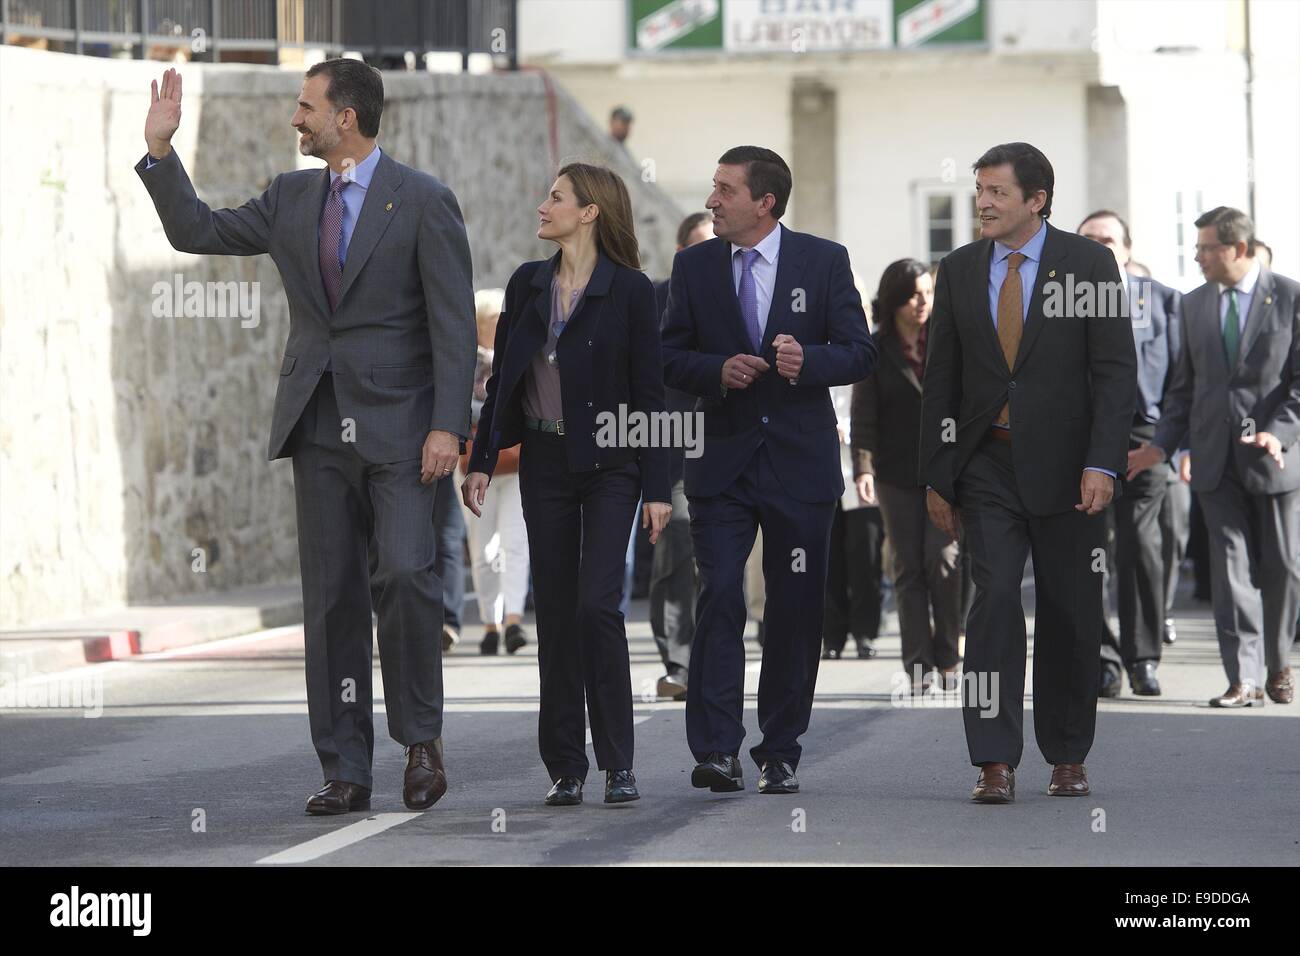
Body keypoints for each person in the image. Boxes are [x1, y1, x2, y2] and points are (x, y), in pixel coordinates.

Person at [137, 62, 475, 814]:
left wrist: (449, 426)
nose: (297, 120)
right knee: (331, 603)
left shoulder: (423, 201)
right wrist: (161, 154)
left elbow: (452, 326)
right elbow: (199, 231)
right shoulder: (291, 196)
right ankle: (346, 767)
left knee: (408, 576)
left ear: (345, 118)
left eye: (306, 107)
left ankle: (421, 740)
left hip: (400, 428)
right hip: (317, 422)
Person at [920, 142, 1136, 804]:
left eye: (996, 192)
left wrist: (1103, 460)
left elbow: (1112, 371)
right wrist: (938, 471)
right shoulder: (957, 269)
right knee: (993, 600)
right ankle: (992, 758)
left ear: (1036, 200)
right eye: (979, 190)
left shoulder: (1088, 262)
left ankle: (1068, 754)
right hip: (988, 463)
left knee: (1072, 610)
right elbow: (943, 381)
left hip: (1073, 470)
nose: (981, 202)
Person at [661, 146, 876, 795]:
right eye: (714, 186)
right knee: (721, 594)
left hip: (799, 465)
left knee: (792, 609)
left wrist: (806, 360)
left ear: (765, 203)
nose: (712, 200)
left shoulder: (824, 260)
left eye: (725, 190)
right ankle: (717, 750)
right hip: (722, 463)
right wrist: (714, 370)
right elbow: (667, 354)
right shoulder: (693, 265)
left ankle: (780, 748)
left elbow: (860, 352)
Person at [463, 164, 672, 806]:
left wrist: (659, 486)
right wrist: (482, 457)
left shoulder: (632, 291)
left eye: (555, 197)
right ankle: (566, 764)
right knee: (554, 612)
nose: (542, 204)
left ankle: (618, 762)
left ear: (590, 213)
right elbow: (504, 383)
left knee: (597, 606)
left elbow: (650, 393)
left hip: (613, 465)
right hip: (545, 462)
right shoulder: (528, 284)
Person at [1129, 206, 1299, 707]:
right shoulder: (1193, 303)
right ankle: (1243, 678)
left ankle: (1279, 662)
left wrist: (1278, 433)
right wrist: (1161, 445)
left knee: (1284, 567)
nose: (1198, 256)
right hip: (1212, 458)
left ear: (1239, 249)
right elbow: (1184, 387)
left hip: (1274, 459)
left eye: (1207, 247)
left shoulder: (1289, 296)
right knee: (1229, 570)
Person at [1077, 211, 1182, 697]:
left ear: (1126, 248)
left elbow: (1182, 378)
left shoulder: (1161, 301)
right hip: (1080, 437)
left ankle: (1143, 658)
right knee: (1088, 550)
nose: (1099, 247)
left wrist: (1167, 445)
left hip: (1144, 436)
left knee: (1141, 547)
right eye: (1088, 240)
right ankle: (1103, 659)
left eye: (1107, 240)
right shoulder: (1057, 302)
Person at [853, 259, 961, 691]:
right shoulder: (876, 351)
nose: (922, 302)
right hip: (895, 474)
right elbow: (864, 416)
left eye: (928, 293)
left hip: (946, 472)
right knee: (907, 566)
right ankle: (918, 666)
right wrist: (862, 468)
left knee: (945, 559)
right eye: (914, 294)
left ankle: (949, 653)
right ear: (895, 299)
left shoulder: (949, 343)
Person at [650, 211, 713, 700]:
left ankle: (713, 657)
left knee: (717, 560)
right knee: (676, 546)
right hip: (672, 441)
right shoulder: (654, 299)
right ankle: (679, 664)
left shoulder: (738, 294)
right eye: (697, 247)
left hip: (730, 443)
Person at [459, 289, 531, 656]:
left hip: (516, 462)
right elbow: (461, 407)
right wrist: (491, 411)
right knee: (483, 548)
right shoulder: (464, 361)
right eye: (493, 319)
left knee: (515, 542)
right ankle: (490, 622)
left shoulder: (516, 355)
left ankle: (514, 620)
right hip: (476, 461)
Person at [824, 376, 884, 662]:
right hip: (821, 471)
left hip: (862, 473)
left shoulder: (864, 358)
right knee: (828, 557)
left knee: (866, 555)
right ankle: (832, 634)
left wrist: (845, 429)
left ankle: (865, 632)